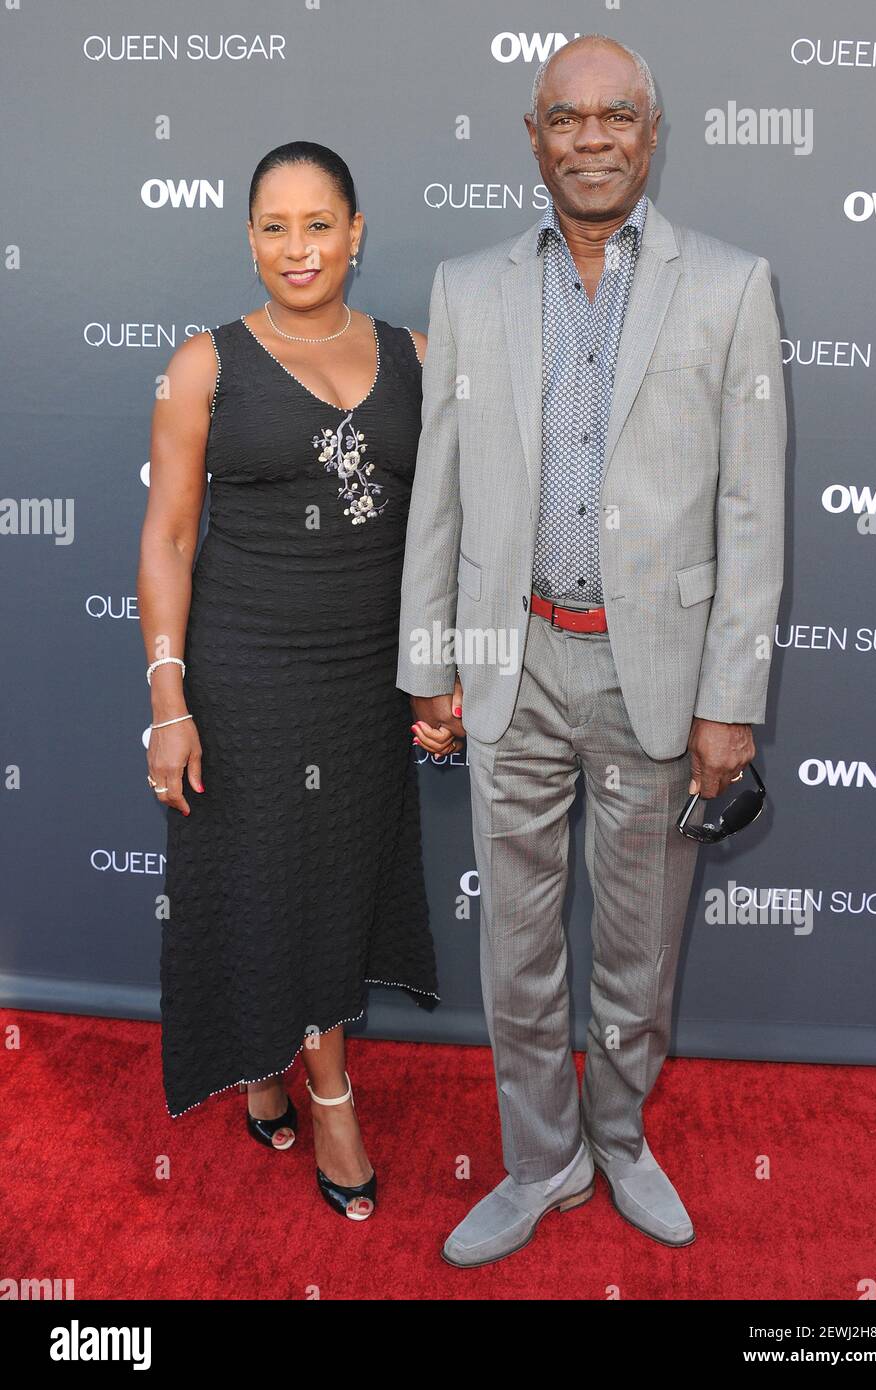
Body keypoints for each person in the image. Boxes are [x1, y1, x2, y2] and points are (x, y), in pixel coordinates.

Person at [397, 35, 786, 1265]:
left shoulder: (727, 284)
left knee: (635, 949)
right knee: (514, 955)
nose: (592, 138)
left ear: (649, 132)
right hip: (513, 668)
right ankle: (537, 1161)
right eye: (566, 119)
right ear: (533, 138)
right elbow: (442, 500)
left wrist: (731, 697)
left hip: (650, 681)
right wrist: (432, 667)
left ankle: (619, 1141)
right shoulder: (468, 289)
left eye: (615, 115)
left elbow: (750, 511)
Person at [137, 141, 444, 1222]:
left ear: (356, 233)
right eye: (275, 226)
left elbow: (445, 534)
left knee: (337, 881)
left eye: (320, 224)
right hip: (247, 670)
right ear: (250, 240)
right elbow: (170, 538)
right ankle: (332, 1097)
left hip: (365, 676)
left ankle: (268, 1062)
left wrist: (434, 676)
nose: (298, 247)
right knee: (272, 878)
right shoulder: (205, 364)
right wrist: (169, 699)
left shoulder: (416, 353)